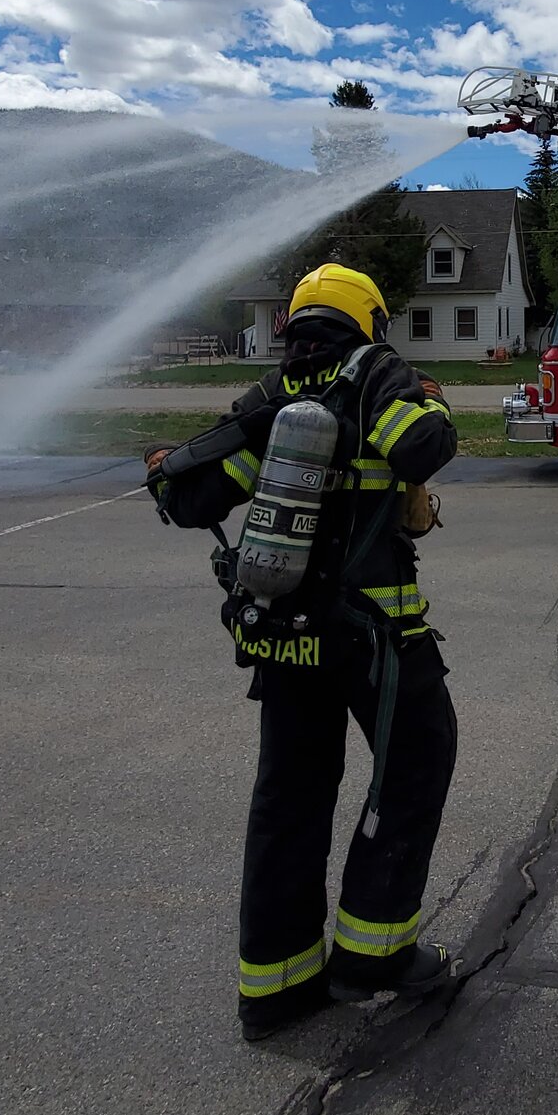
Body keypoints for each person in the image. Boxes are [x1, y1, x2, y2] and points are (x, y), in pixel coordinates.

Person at [144, 262, 459, 1040]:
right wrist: (430, 400)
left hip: (283, 634)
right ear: (370, 320)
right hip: (373, 636)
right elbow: (421, 445)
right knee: (416, 765)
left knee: (290, 795)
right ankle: (371, 952)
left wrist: (161, 469)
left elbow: (193, 497)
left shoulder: (276, 394)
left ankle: (275, 987)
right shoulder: (373, 372)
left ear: (296, 323)